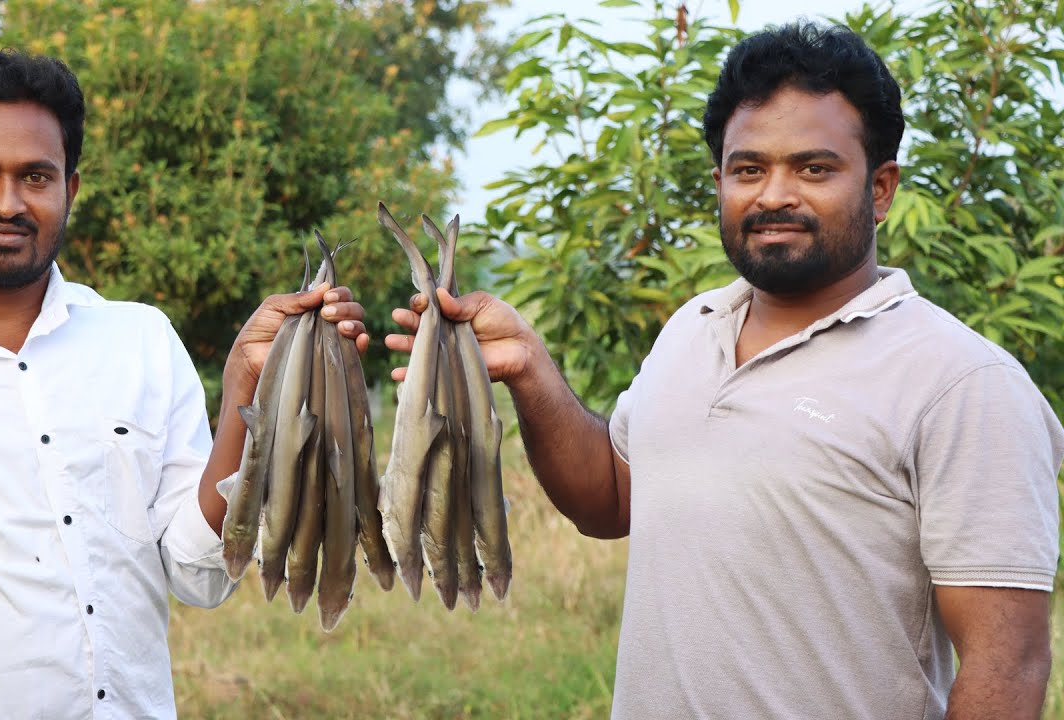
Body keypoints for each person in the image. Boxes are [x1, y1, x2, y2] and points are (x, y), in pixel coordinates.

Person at [388, 22, 1062, 720]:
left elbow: (1006, 664)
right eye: (749, 169)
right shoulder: (693, 328)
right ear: (720, 182)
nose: (774, 195)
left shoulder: (961, 384)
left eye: (814, 168)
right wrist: (529, 365)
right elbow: (610, 499)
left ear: (882, 188)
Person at [0, 50, 368, 719]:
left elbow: (196, 572)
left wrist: (247, 390)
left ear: (71, 188)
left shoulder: (140, 341)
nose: (6, 203)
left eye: (35, 176)